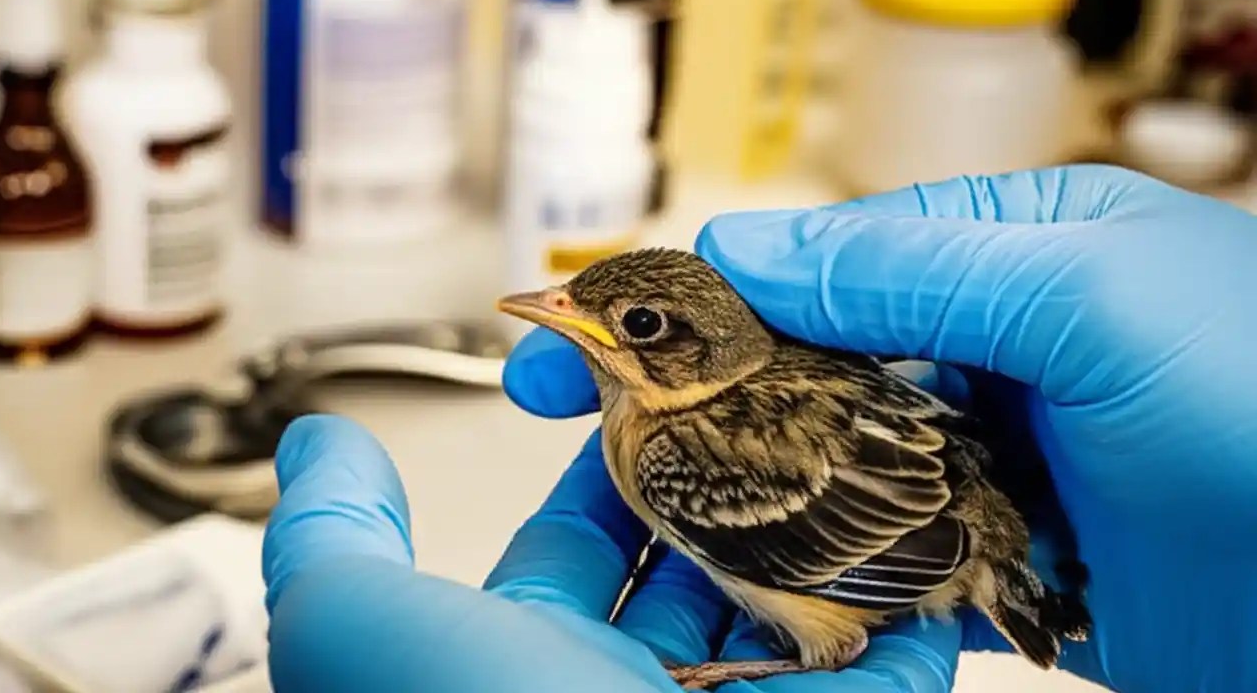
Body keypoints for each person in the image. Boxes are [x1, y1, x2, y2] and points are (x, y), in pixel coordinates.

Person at [260, 165, 1257, 692]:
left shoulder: (669, 453)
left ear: (696, 348)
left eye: (634, 326)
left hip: (913, 546)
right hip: (931, 481)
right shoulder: (678, 421)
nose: (564, 315)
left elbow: (847, 589)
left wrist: (706, 673)